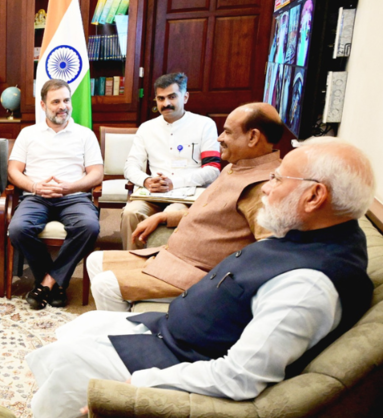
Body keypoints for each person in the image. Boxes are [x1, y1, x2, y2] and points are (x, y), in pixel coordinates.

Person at [9, 137, 376, 418]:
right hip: (177, 335)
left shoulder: (309, 286)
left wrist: (141, 384)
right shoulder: (310, 237)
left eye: (279, 179)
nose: (267, 186)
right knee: (75, 330)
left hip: (185, 359)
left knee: (71, 362)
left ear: (314, 196)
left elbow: (241, 378)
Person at [87, 103, 284, 312]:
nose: (220, 138)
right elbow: (210, 210)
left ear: (253, 137)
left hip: (198, 275)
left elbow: (270, 251)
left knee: (105, 286)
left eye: (227, 132)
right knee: (95, 260)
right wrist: (164, 218)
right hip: (172, 258)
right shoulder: (237, 167)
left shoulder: (265, 186)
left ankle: (124, 338)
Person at [8, 79, 103, 310]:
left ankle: (46, 283)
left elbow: (97, 174)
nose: (63, 106)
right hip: (36, 196)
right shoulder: (28, 134)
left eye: (66, 100)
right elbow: (13, 171)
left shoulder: (85, 134)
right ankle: (56, 284)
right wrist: (34, 187)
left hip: (74, 197)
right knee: (18, 229)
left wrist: (70, 187)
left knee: (89, 227)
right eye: (56, 102)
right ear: (43, 105)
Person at [121, 73, 221, 249]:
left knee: (172, 214)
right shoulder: (147, 128)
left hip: (186, 195)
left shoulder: (204, 125)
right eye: (161, 98)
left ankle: (164, 268)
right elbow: (130, 166)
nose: (166, 103)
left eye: (172, 97)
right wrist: (146, 180)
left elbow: (213, 169)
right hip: (154, 194)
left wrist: (173, 183)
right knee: (131, 212)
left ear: (185, 97)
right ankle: (132, 262)